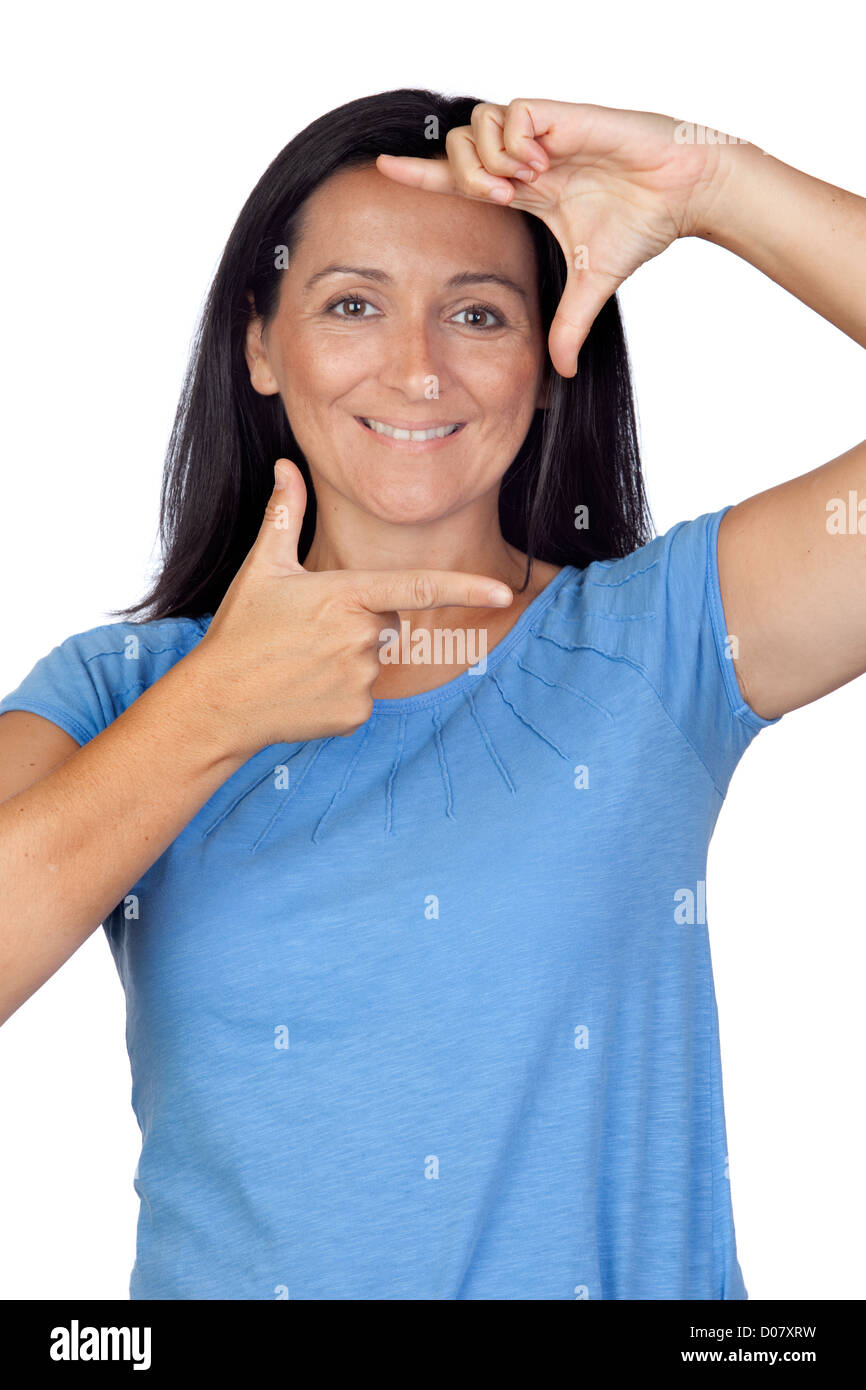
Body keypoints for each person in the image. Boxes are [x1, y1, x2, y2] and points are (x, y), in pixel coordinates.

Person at [0, 88, 863, 1301]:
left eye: (476, 312)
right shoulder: (115, 694)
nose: (415, 368)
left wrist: (715, 186)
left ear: (552, 358)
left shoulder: (660, 642)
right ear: (258, 344)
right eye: (352, 304)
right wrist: (215, 710)